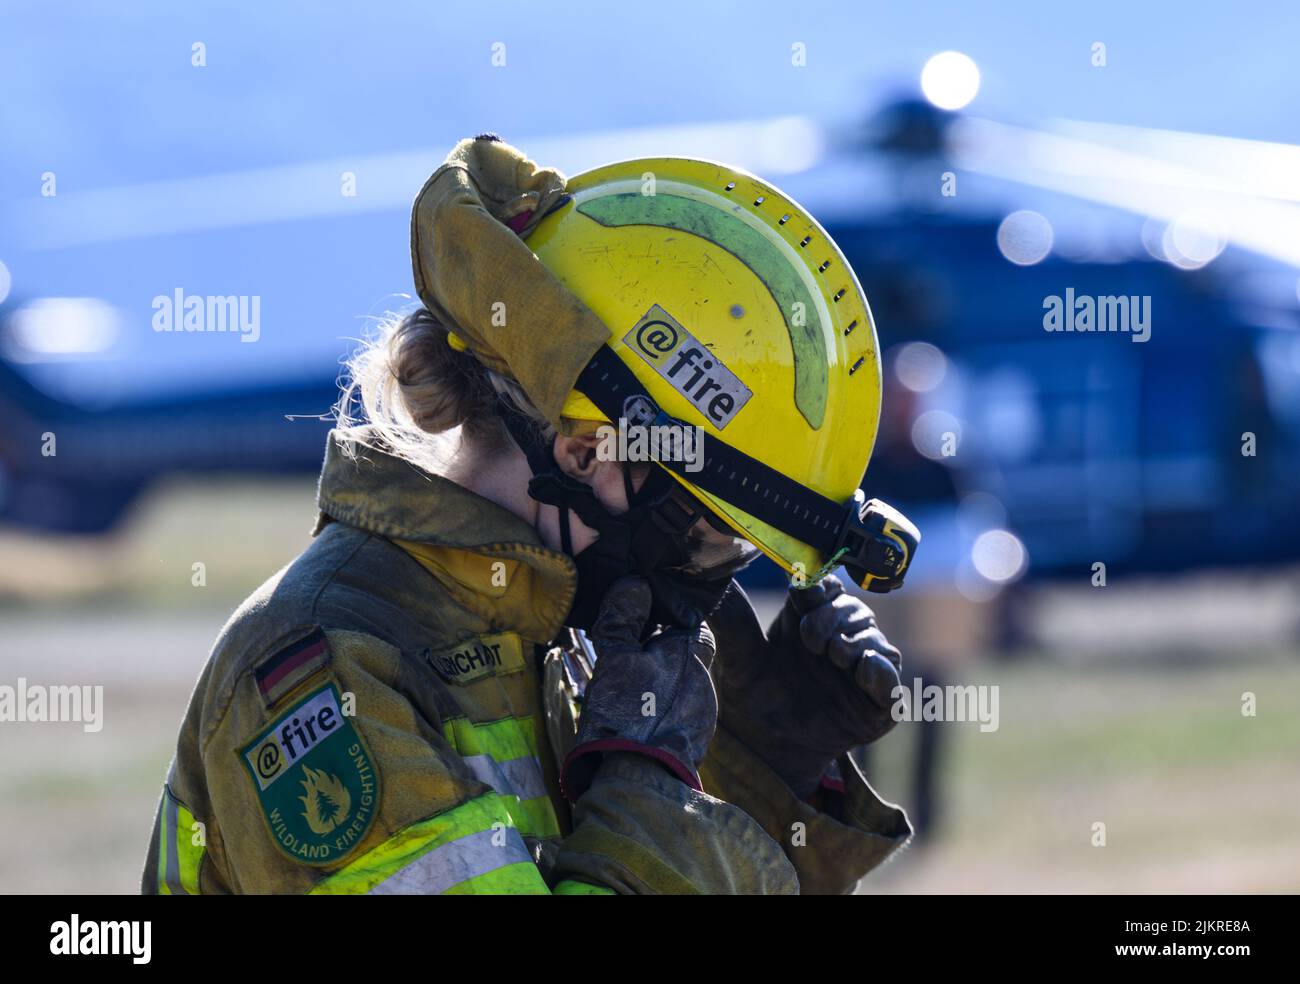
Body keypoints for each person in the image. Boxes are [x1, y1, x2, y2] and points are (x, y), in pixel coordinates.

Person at [142, 135, 919, 895]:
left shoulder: (553, 646)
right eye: (712, 531)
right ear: (589, 455)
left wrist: (768, 770)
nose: (707, 574)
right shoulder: (327, 671)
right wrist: (648, 790)